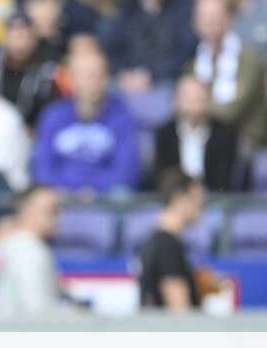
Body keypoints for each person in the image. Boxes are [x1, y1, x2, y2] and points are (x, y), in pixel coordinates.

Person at [31, 51, 141, 193]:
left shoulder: (121, 115)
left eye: (98, 74)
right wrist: (70, 189)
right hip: (60, 196)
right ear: (71, 78)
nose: (93, 81)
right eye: (85, 75)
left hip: (106, 200)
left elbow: (126, 170)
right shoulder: (53, 115)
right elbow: (42, 168)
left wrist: (93, 189)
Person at [187, 0, 266, 149]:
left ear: (229, 20)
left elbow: (232, 111)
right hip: (205, 140)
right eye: (203, 17)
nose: (209, 22)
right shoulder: (192, 62)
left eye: (214, 16)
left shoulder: (249, 61)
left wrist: (197, 106)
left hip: (244, 139)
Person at [153, 74, 238, 191]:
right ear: (176, 101)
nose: (193, 104)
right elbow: (162, 177)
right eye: (188, 98)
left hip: (214, 200)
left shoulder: (225, 134)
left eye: (199, 98)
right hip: (176, 199)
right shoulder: (164, 134)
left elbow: (224, 179)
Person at [0, 186, 63, 316]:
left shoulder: (10, 243)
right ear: (26, 211)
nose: (58, 218)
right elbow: (36, 308)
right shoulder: (28, 250)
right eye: (51, 211)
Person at [0, 13, 58, 126]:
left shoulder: (45, 69)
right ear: (4, 38)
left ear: (34, 40)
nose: (20, 41)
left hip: (29, 131)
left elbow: (52, 108)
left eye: (25, 35)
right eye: (15, 35)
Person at [138, 169, 205, 309]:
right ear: (180, 198)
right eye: (197, 200)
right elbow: (178, 309)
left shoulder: (155, 239)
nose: (201, 208)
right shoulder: (167, 245)